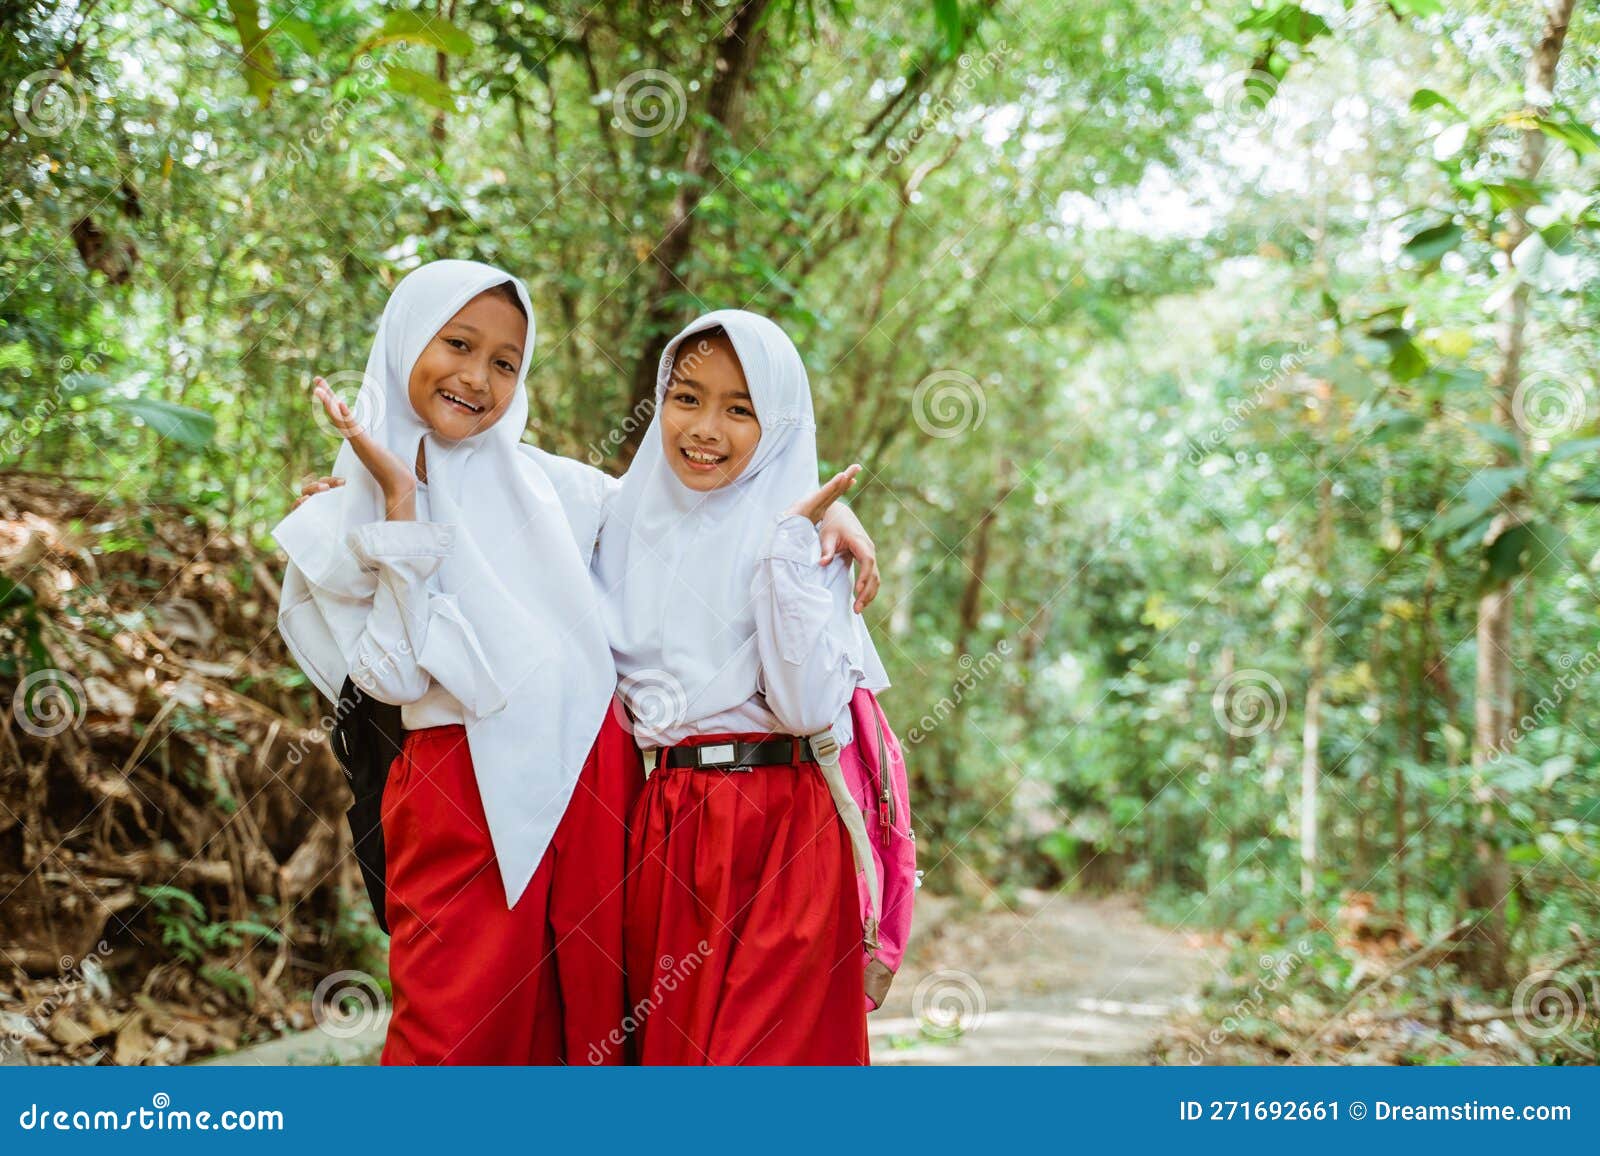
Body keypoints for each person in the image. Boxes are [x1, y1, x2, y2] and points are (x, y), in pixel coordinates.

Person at [272, 259, 639, 1065]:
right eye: (459, 344)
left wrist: (822, 519)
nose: (478, 377)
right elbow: (395, 678)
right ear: (407, 339)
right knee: (452, 1034)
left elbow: (688, 511)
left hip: (588, 776)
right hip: (452, 788)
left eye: (505, 362)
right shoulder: (335, 518)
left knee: (581, 1025)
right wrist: (399, 505)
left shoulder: (554, 487)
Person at [596, 310, 889, 1065]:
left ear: (780, 424)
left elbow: (806, 706)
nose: (705, 429)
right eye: (687, 398)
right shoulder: (618, 516)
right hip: (669, 821)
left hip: (786, 821)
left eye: (740, 409)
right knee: (678, 1057)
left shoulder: (809, 538)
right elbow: (498, 479)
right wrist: (356, 502)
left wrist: (788, 546)